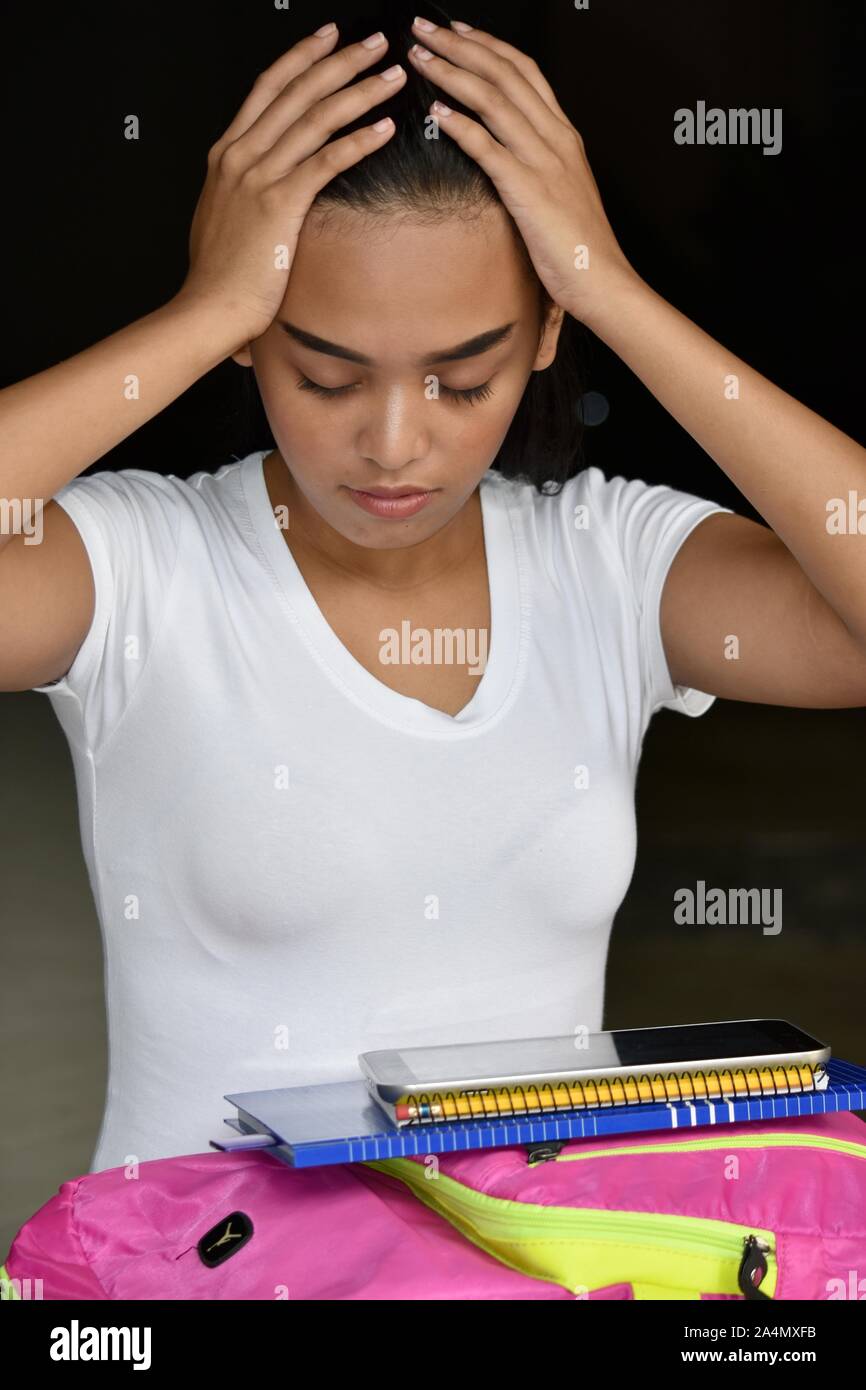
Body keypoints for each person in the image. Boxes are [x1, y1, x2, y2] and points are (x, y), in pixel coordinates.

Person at [2, 8, 865, 1175]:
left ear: (544, 334)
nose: (393, 442)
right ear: (254, 343)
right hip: (194, 1279)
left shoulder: (604, 565)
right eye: (323, 372)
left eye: (463, 377)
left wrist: (612, 288)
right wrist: (200, 310)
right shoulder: (144, 569)